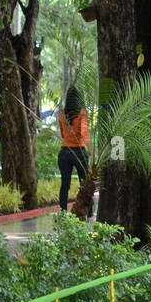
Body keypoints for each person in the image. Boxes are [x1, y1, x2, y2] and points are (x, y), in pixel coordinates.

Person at [58, 86, 91, 214]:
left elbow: (62, 134)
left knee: (64, 185)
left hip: (64, 152)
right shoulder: (82, 113)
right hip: (79, 152)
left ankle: (62, 213)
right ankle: (88, 212)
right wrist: (91, 152)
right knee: (85, 184)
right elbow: (84, 134)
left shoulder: (62, 114)